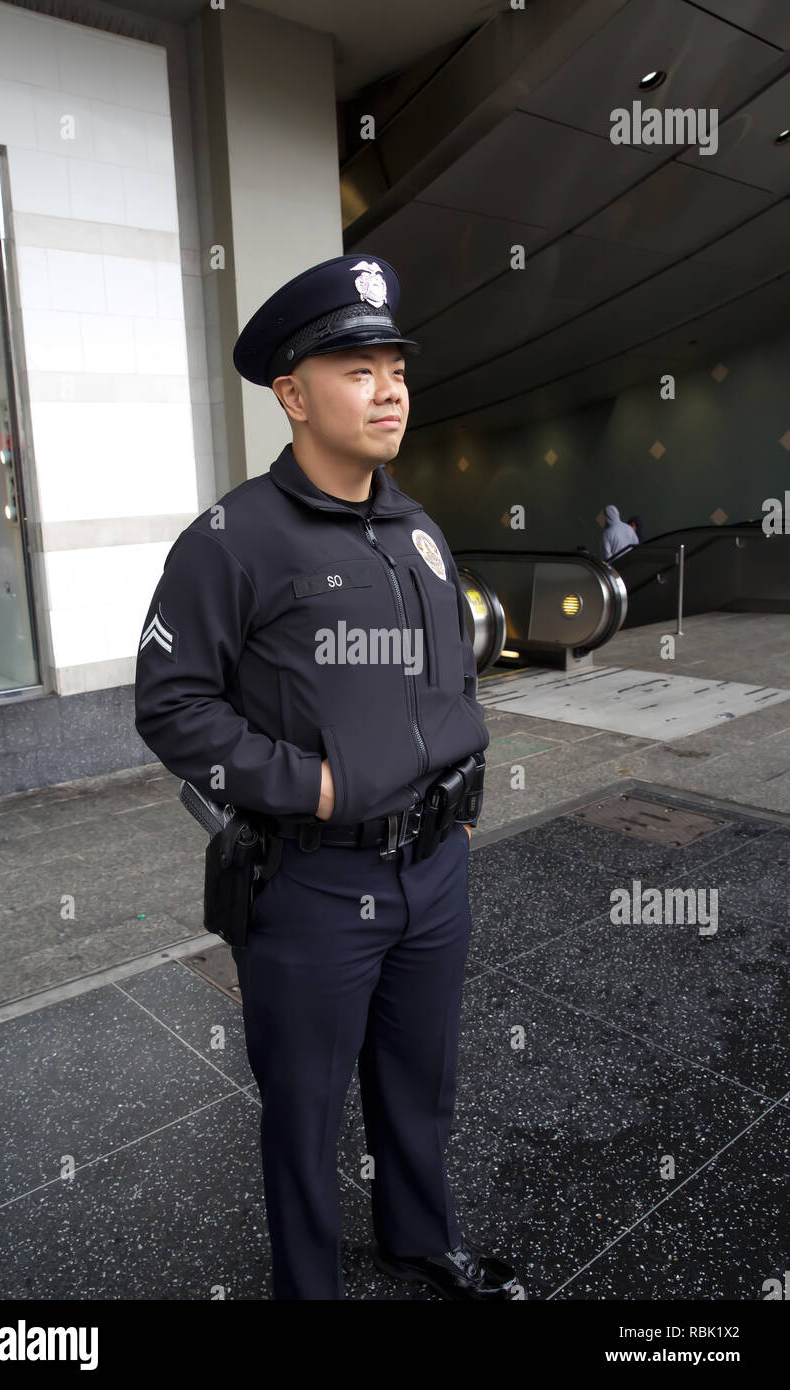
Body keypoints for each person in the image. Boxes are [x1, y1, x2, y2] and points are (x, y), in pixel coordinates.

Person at [134, 253, 518, 1302]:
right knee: (304, 1112)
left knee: (420, 1082)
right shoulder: (234, 541)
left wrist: (464, 811)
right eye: (358, 366)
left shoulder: (420, 531)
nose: (389, 386)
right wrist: (314, 787)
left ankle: (418, 1237)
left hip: (436, 871)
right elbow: (171, 706)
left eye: (395, 364)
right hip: (311, 886)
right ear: (292, 393)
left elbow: (451, 690)